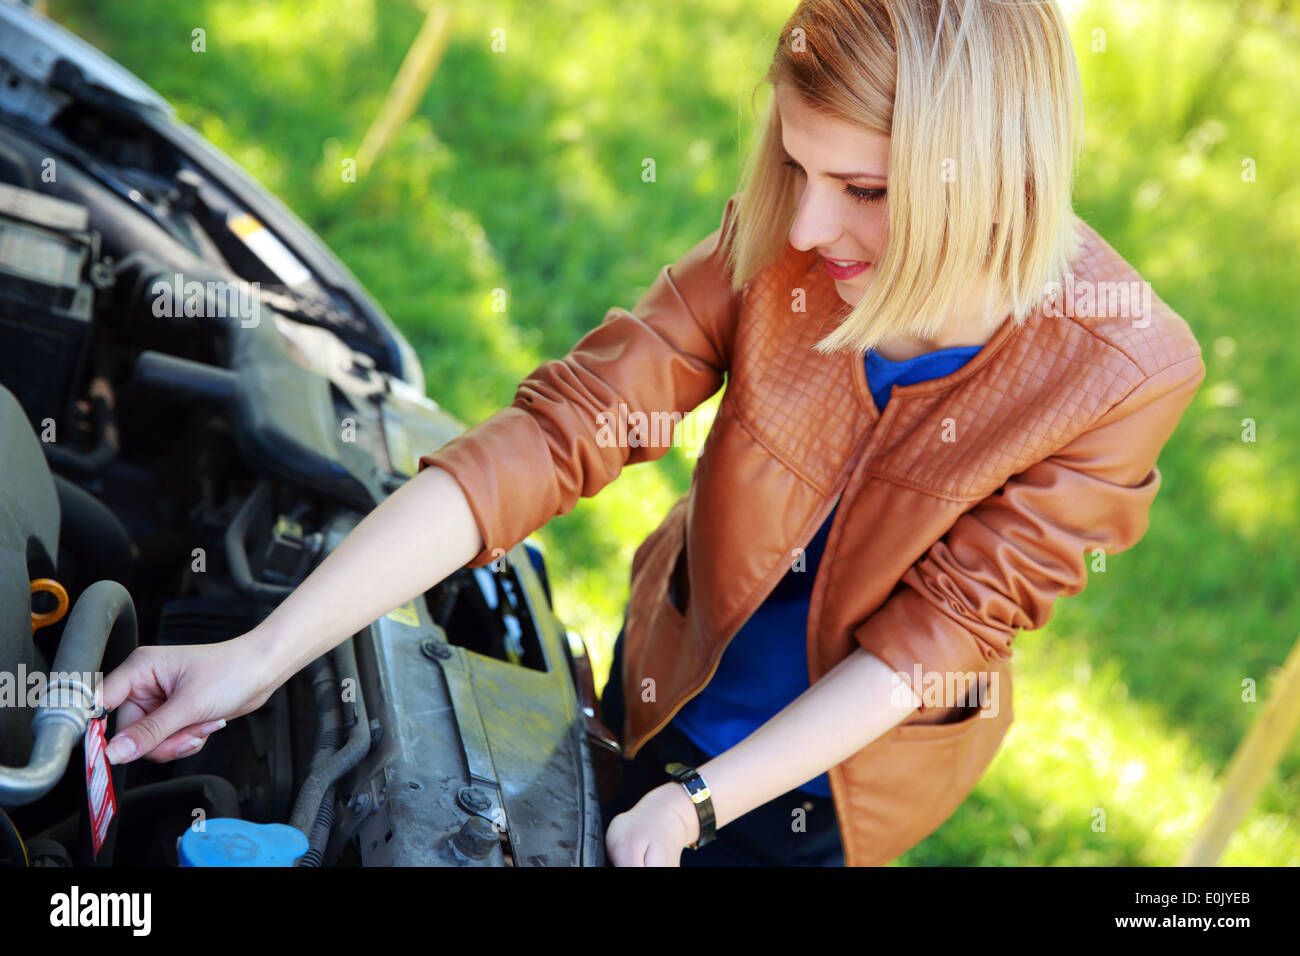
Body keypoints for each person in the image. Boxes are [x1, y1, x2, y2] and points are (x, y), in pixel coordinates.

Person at [99, 0, 1206, 867]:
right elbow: (555, 433)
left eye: (864, 187)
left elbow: (936, 640)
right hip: (668, 667)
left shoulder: (1121, 372)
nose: (809, 225)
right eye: (796, 166)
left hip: (833, 783)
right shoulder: (786, 233)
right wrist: (258, 656)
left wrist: (702, 802)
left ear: (995, 171)